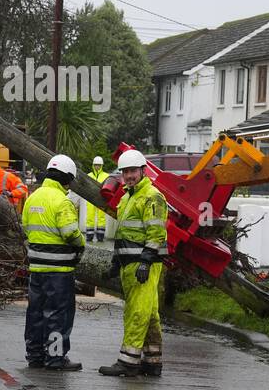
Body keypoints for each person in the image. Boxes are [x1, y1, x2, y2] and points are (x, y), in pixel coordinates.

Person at [98, 149, 167, 378]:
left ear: (143, 171)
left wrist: (146, 262)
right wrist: (116, 262)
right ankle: (152, 360)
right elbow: (124, 234)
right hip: (131, 264)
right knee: (149, 313)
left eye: (132, 171)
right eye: (125, 172)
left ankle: (128, 362)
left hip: (142, 265)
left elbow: (156, 234)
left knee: (136, 312)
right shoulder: (128, 197)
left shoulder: (152, 197)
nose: (129, 176)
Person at [21, 155, 85, 371]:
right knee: (58, 315)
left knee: (36, 313)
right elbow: (70, 233)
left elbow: (26, 228)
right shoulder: (62, 201)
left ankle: (35, 355)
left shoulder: (33, 197)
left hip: (37, 269)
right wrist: (81, 243)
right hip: (59, 272)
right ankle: (55, 358)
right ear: (67, 178)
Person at [86, 156, 110, 242]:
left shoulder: (106, 176)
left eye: (99, 165)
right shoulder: (88, 176)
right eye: (96, 165)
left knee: (101, 217)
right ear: (93, 165)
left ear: (102, 166)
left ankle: (100, 235)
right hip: (91, 199)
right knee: (90, 216)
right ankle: (89, 235)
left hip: (102, 199)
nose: (97, 167)